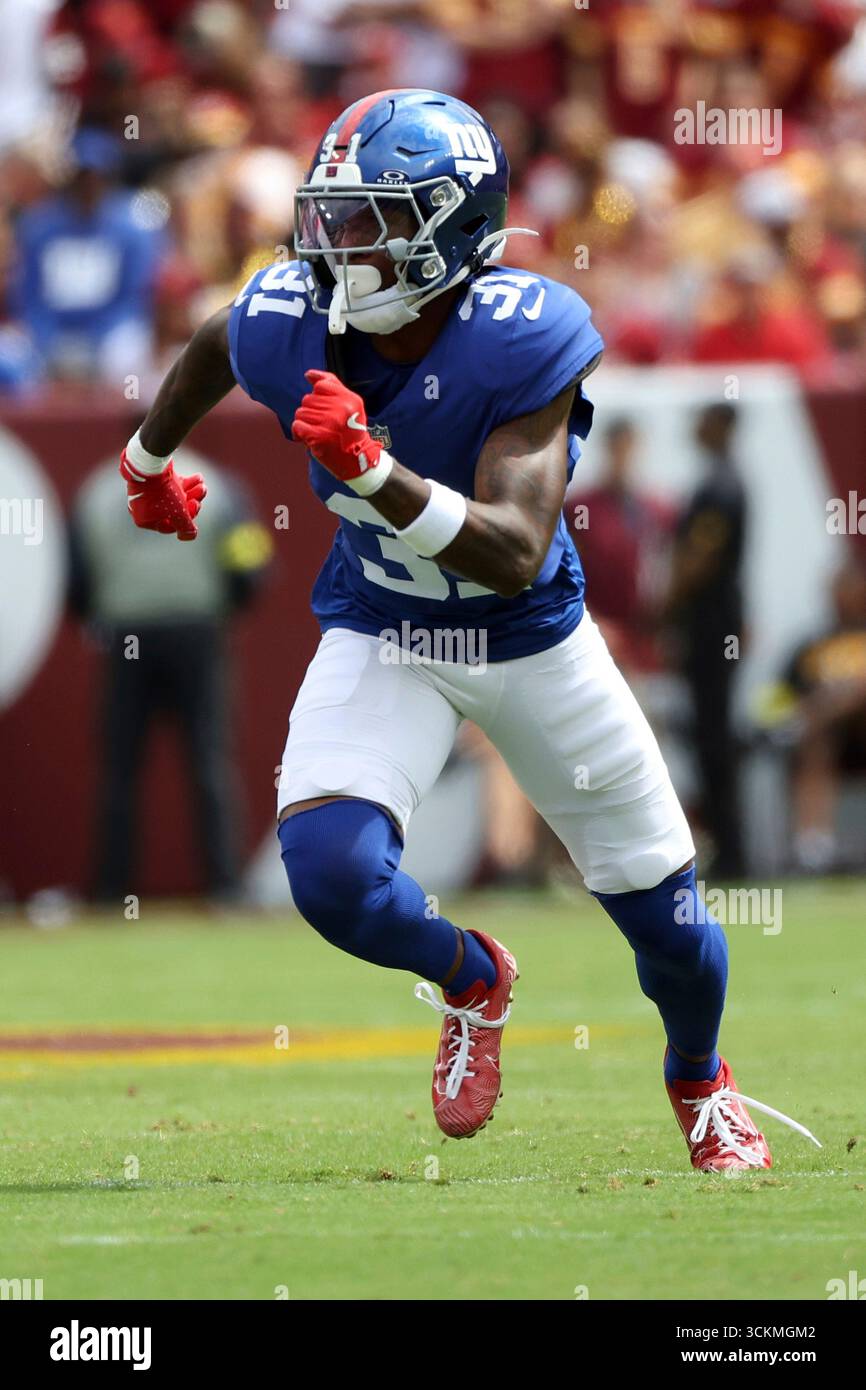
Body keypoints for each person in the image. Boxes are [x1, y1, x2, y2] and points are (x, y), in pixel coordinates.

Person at [118, 89, 818, 1170]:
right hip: (383, 629)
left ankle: (699, 1080)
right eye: (331, 215)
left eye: (372, 219)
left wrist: (372, 471)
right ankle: (469, 974)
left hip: (530, 642)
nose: (337, 245)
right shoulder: (294, 311)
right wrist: (147, 460)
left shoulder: (519, 334)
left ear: (448, 225)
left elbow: (513, 548)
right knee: (330, 874)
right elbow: (219, 338)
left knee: (671, 931)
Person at [68, 458, 272, 903]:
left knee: (120, 768)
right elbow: (251, 566)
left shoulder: (98, 489)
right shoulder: (219, 482)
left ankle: (110, 893)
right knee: (210, 760)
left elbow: (77, 582)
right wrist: (228, 606)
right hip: (196, 631)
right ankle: (226, 890)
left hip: (126, 637)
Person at [663, 403, 748, 880]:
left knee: (714, 740)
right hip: (717, 627)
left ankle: (733, 853)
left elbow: (698, 560)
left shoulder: (720, 484)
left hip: (710, 629)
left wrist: (664, 607)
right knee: (711, 736)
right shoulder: (724, 479)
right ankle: (730, 847)